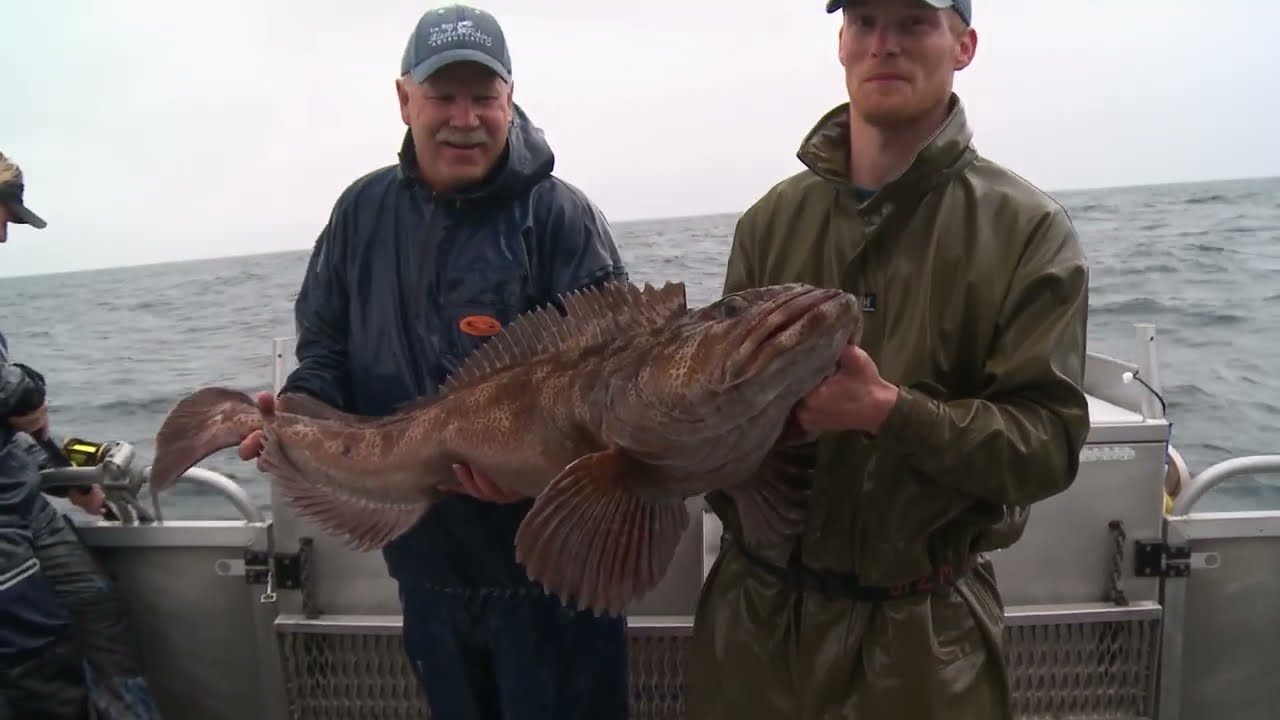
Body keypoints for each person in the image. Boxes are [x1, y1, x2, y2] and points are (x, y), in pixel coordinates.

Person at [688, 2, 1091, 719]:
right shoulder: (767, 223)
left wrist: (889, 413)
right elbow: (716, 413)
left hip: (925, 649)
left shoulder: (1029, 230)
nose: (885, 45)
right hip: (751, 628)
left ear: (963, 46)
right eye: (866, 21)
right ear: (841, 43)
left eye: (913, 22)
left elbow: (1048, 446)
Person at [235, 5, 632, 719]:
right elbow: (323, 347)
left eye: (484, 97)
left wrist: (532, 474)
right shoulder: (360, 213)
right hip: (426, 569)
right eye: (444, 96)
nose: (464, 118)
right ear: (404, 99)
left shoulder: (562, 219)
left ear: (510, 99)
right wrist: (296, 418)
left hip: (559, 574)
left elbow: (613, 387)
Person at [0, 151, 163, 720]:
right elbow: (16, 395)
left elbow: (19, 414)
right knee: (35, 661)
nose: (3, 234)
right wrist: (21, 391)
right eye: (1, 215)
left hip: (21, 500)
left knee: (98, 610)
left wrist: (66, 473)